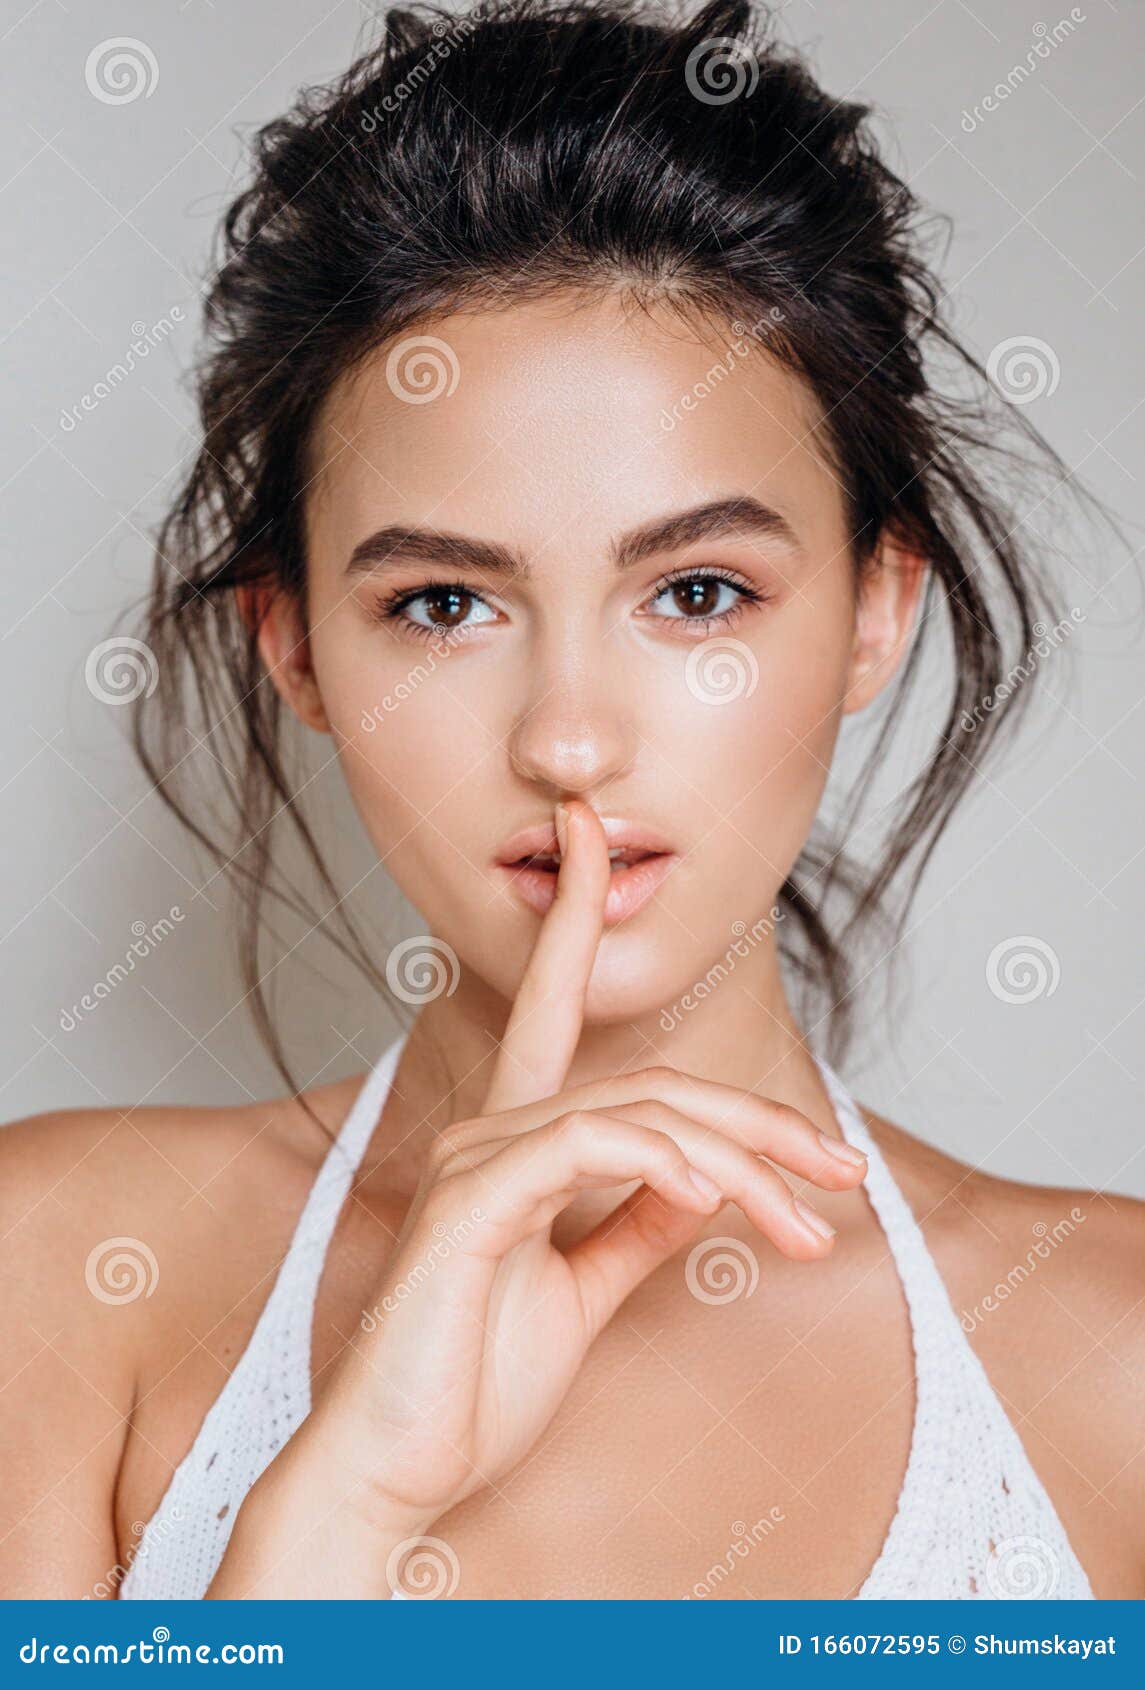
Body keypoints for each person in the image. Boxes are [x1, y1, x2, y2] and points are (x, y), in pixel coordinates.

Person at [2, 0, 1141, 1602]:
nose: (568, 740)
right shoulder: (51, 1268)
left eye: (695, 592)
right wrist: (337, 1510)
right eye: (443, 606)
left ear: (876, 610)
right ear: (296, 646)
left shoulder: (1115, 1350)